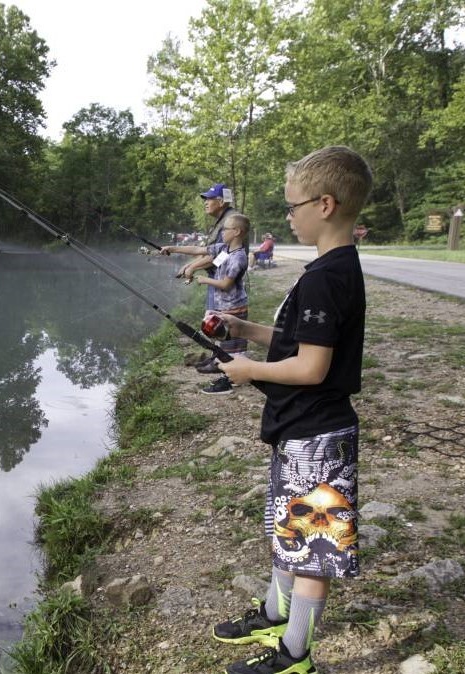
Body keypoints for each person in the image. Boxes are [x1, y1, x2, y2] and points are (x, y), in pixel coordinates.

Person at [213, 146, 373, 674]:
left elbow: (311, 367)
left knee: (311, 550)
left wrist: (249, 370)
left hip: (316, 438)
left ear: (324, 205)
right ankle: (273, 615)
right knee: (290, 535)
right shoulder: (332, 267)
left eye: (292, 206)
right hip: (303, 431)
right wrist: (246, 330)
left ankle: (294, 655)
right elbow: (301, 340)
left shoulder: (327, 275)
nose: (288, 217)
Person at [160, 213, 250, 395]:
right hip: (222, 304)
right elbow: (198, 250)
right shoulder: (225, 250)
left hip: (234, 306)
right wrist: (172, 249)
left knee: (233, 346)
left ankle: (229, 381)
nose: (222, 232)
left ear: (237, 232)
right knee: (221, 340)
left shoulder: (238, 257)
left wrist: (204, 280)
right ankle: (221, 366)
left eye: (225, 229)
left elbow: (226, 284)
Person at [167, 183, 238, 371]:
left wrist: (193, 267)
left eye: (209, 199)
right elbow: (208, 251)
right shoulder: (222, 220)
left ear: (221, 201)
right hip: (217, 278)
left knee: (223, 321)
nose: (205, 202)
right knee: (214, 319)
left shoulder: (230, 222)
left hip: (224, 282)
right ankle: (218, 358)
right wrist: (189, 264)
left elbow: (222, 256)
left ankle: (228, 364)